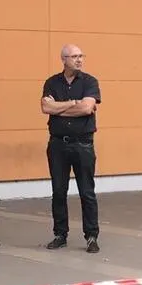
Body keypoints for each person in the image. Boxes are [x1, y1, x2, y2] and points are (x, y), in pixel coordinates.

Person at [41, 44, 102, 253]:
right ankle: (60, 234)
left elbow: (86, 108)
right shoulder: (52, 82)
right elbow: (45, 107)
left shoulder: (90, 82)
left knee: (87, 192)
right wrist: (74, 102)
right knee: (59, 191)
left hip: (83, 144)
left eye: (81, 56)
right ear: (64, 59)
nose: (79, 60)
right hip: (58, 144)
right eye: (74, 56)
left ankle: (91, 236)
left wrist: (59, 107)